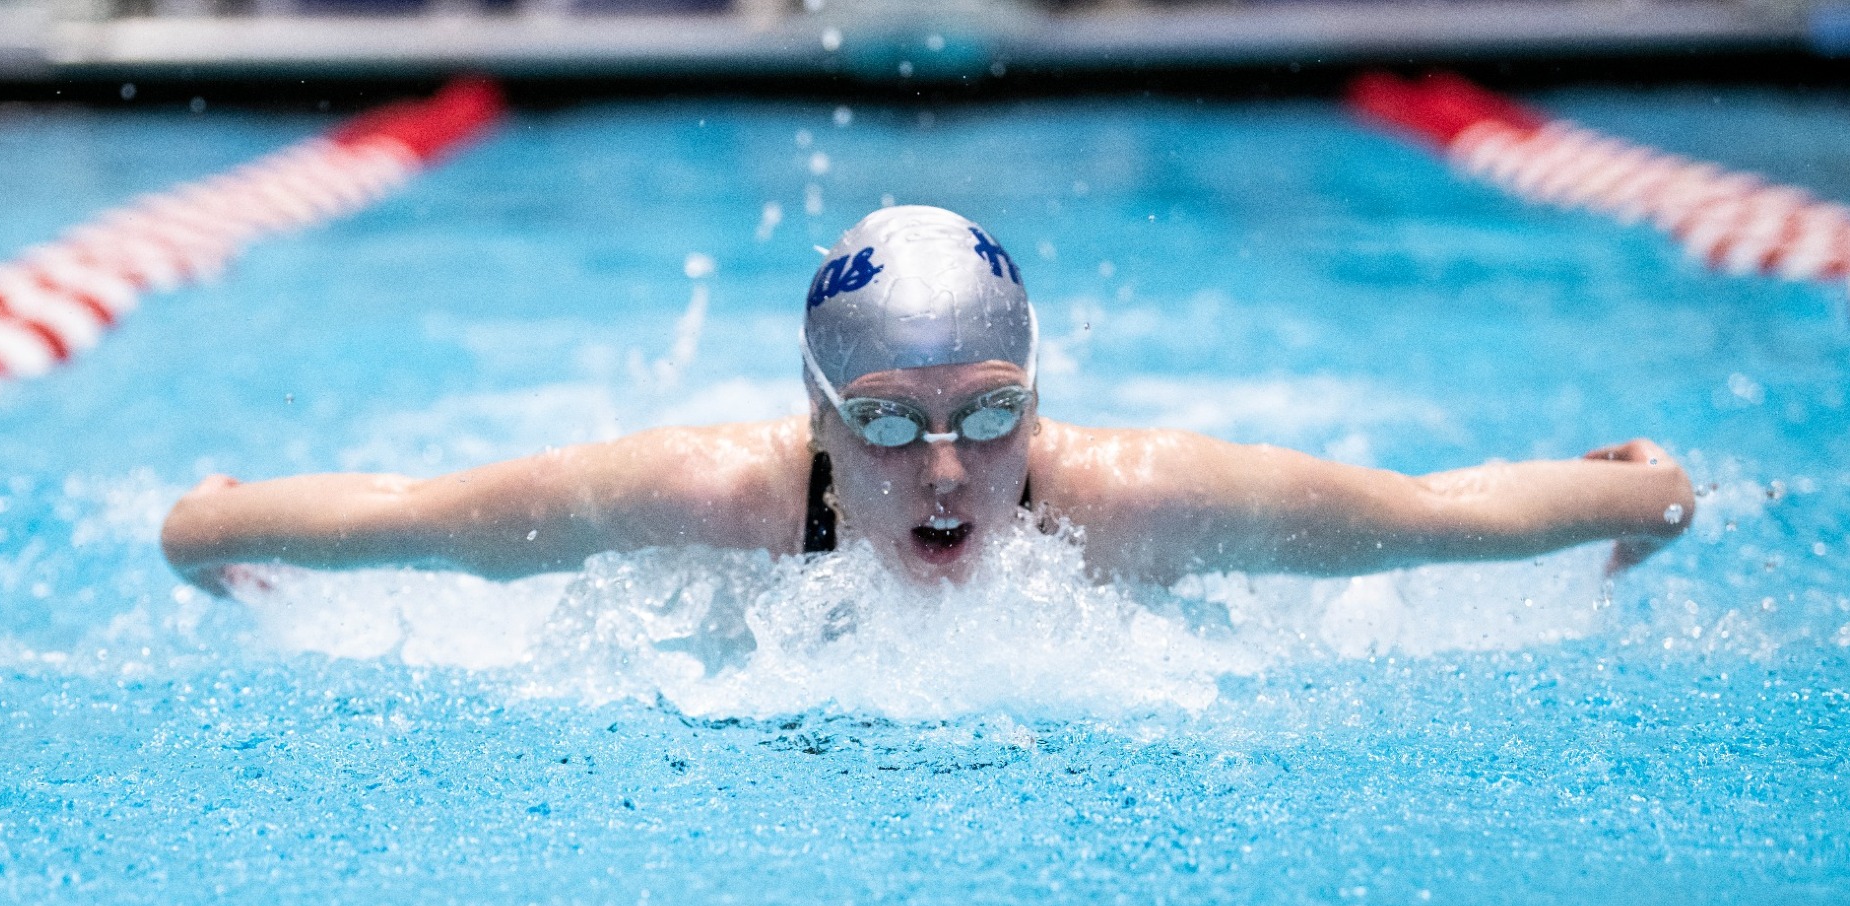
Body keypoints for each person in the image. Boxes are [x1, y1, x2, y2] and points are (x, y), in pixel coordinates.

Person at [160, 205, 1694, 596]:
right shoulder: (711, 495)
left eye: (991, 415)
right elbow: (422, 523)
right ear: (818, 424)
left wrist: (1645, 499)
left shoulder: (1142, 500)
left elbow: (1432, 524)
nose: (948, 470)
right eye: (890, 424)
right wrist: (206, 529)